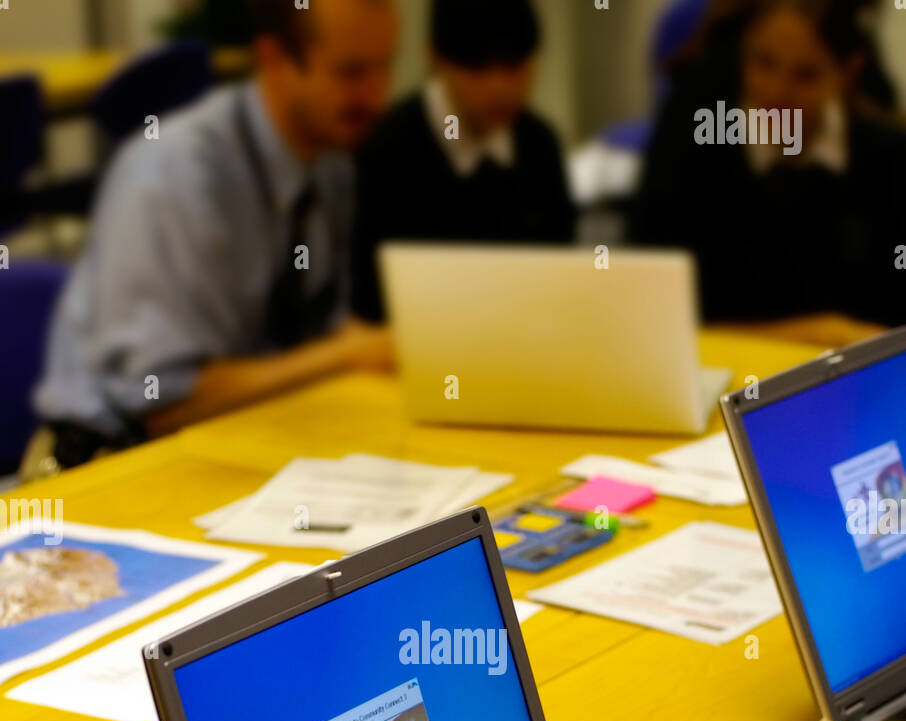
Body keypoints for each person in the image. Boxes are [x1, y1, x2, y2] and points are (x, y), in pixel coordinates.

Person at [25, 0, 398, 478]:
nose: (377, 97)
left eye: (384, 68)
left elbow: (316, 334)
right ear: (274, 59)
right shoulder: (176, 175)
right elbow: (162, 401)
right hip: (108, 464)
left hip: (242, 445)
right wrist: (345, 355)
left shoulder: (330, 162)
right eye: (351, 73)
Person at [630, 0, 906, 348]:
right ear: (741, 55)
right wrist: (811, 332)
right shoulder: (692, 133)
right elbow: (649, 301)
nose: (777, 94)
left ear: (846, 74)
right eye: (763, 64)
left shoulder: (887, 159)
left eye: (806, 75)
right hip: (719, 366)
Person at [352, 0, 575, 323]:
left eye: (515, 67)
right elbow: (370, 302)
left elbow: (562, 280)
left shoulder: (539, 145)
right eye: (477, 69)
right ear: (436, 59)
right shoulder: (387, 149)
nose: (499, 88)